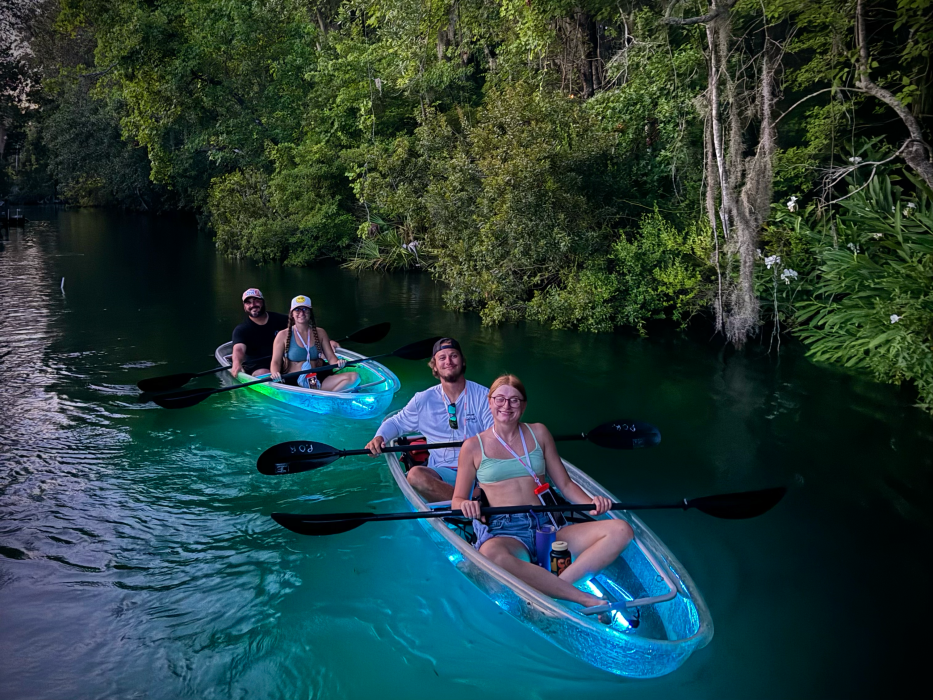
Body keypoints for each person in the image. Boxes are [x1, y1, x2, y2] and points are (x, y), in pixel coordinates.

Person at [452, 374, 634, 618]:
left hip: (548, 527)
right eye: (500, 399)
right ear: (490, 402)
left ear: (524, 405)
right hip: (507, 532)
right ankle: (585, 599)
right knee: (490, 554)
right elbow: (457, 500)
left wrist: (591, 505)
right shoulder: (473, 446)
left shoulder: (539, 433)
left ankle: (548, 596)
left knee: (621, 530)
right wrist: (466, 505)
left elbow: (566, 485)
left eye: (514, 400)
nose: (506, 406)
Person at [366, 338, 492, 502]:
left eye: (453, 355)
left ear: (462, 361)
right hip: (443, 474)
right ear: (435, 366)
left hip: (480, 473)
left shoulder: (485, 396)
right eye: (442, 358)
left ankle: (474, 499)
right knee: (415, 476)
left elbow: (498, 438)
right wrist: (379, 438)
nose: (448, 361)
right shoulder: (423, 400)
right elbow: (396, 423)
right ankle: (472, 505)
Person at [269, 295, 359, 392]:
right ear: (292, 314)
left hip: (317, 377)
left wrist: (338, 363)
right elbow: (275, 362)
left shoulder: (321, 332)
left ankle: (327, 399)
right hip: (294, 381)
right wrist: (275, 373)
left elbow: (331, 358)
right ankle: (327, 396)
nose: (301, 313)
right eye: (297, 310)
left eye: (305, 309)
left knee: (355, 377)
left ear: (310, 313)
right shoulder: (282, 335)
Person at [230, 288, 288, 377]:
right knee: (263, 373)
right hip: (258, 366)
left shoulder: (282, 320)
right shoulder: (241, 330)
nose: (253, 305)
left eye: (256, 301)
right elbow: (239, 349)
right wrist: (236, 362)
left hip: (284, 362)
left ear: (263, 302)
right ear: (244, 306)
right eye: (248, 302)